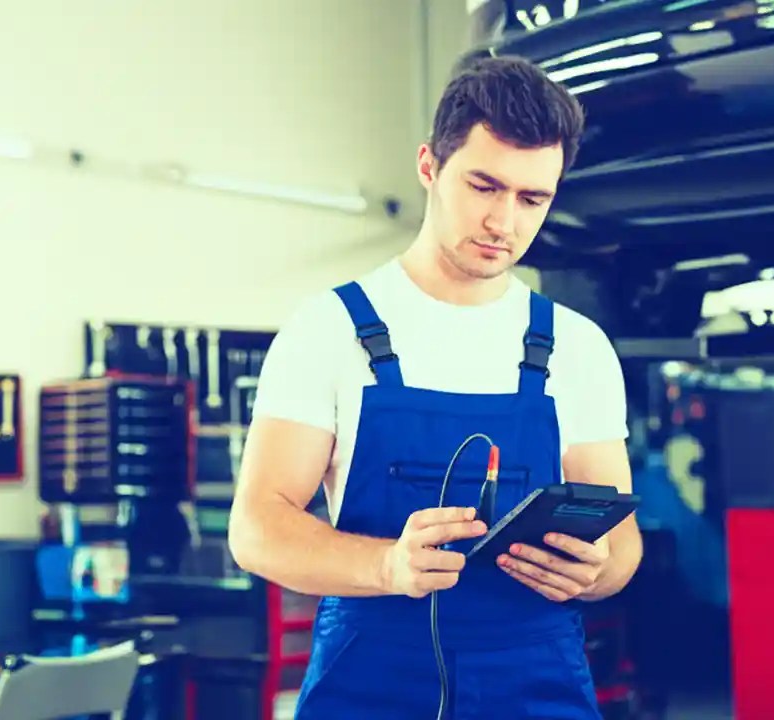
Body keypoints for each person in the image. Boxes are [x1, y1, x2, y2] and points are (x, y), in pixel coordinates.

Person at [227, 55, 642, 719]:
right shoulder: (329, 331)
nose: (504, 222)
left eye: (532, 198)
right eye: (484, 186)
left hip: (536, 687)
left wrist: (598, 572)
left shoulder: (579, 348)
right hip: (371, 685)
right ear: (429, 166)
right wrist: (388, 566)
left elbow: (622, 541)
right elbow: (256, 529)